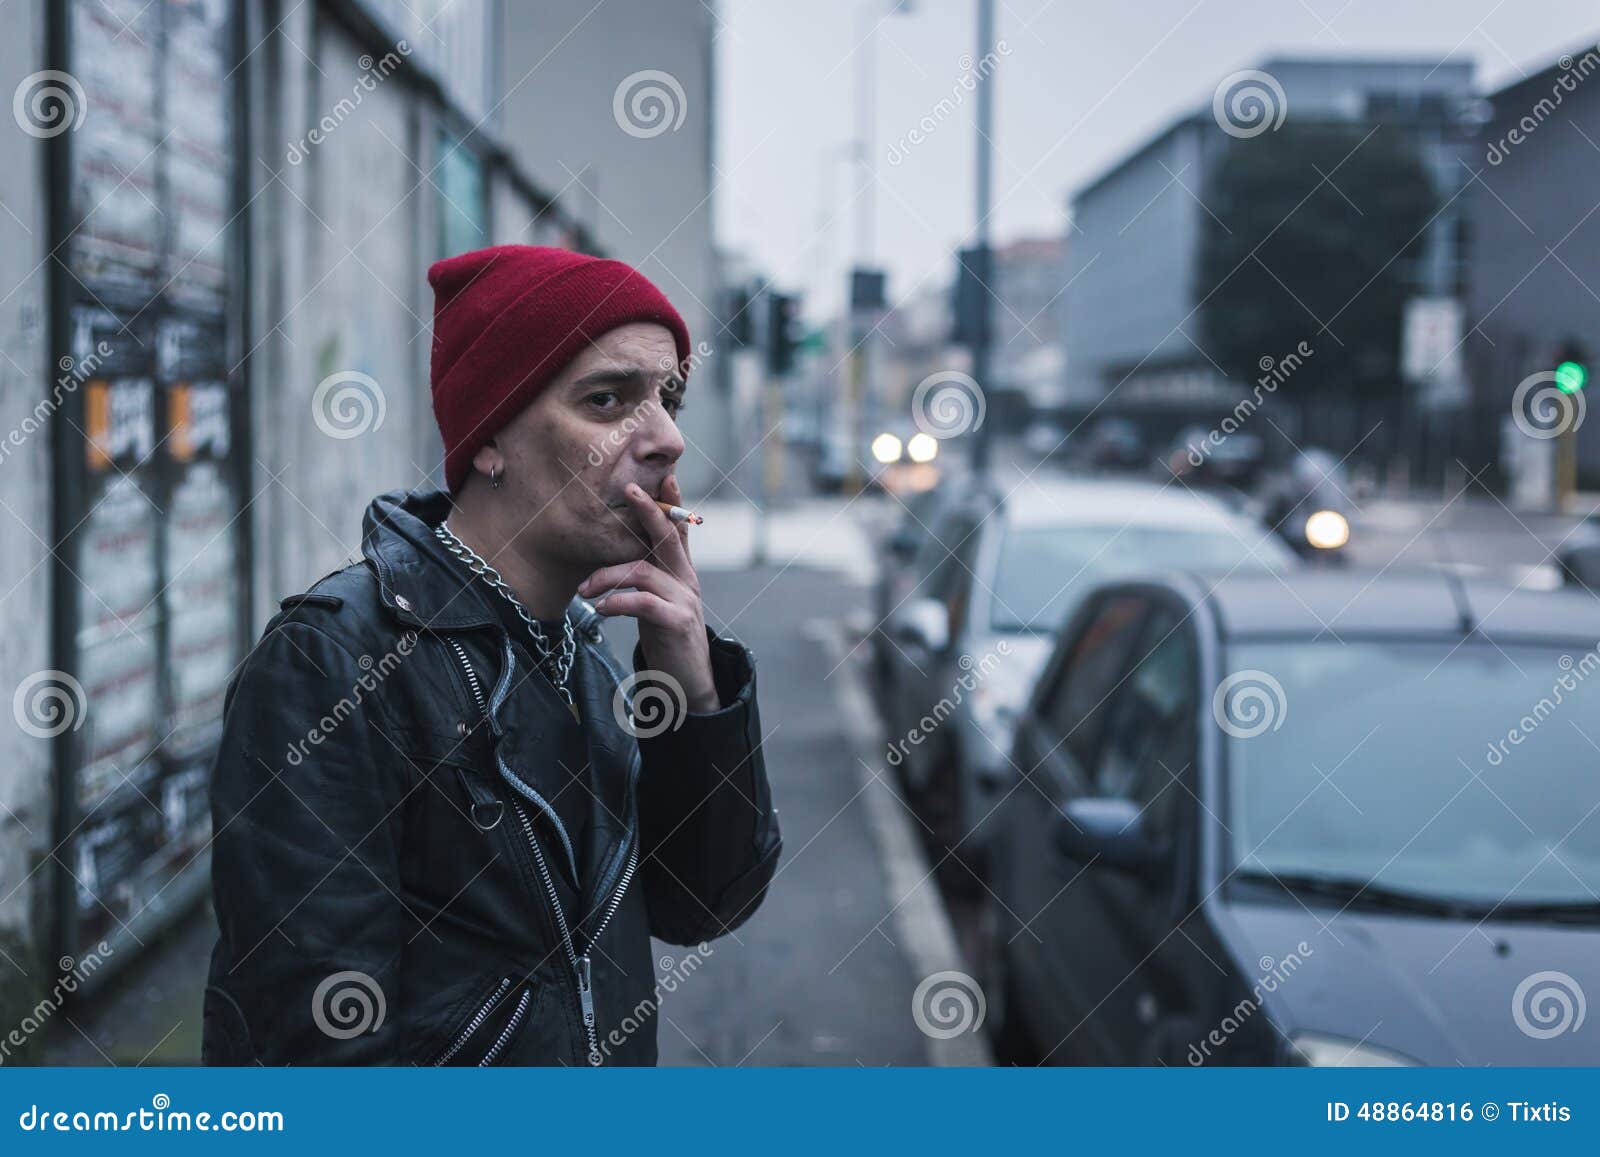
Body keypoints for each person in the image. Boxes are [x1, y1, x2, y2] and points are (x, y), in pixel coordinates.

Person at [202, 244, 781, 1066]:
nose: (666, 439)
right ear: (491, 437)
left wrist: (691, 680)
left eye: (670, 397)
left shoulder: (586, 652)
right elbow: (313, 1049)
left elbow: (704, 902)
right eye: (609, 399)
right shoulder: (337, 662)